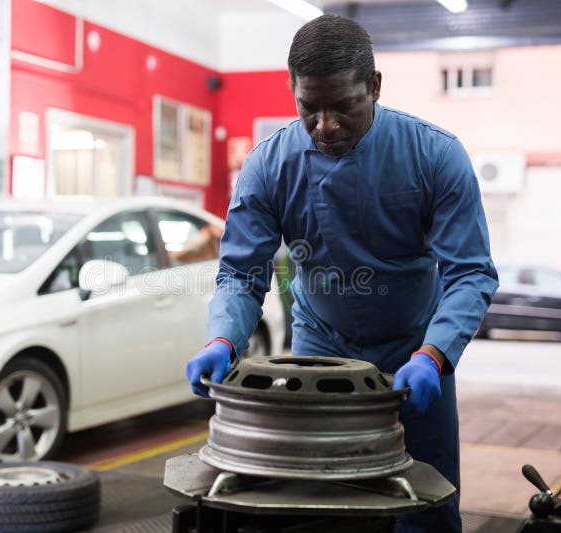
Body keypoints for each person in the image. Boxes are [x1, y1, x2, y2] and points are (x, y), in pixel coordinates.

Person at [186, 14, 498, 533]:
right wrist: (221, 340)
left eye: (344, 106)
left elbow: (470, 273)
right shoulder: (267, 167)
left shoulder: (435, 156)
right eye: (309, 108)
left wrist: (434, 354)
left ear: (374, 86)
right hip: (320, 350)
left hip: (414, 353)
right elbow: (241, 274)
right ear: (292, 91)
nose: (325, 126)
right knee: (317, 502)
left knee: (427, 504)